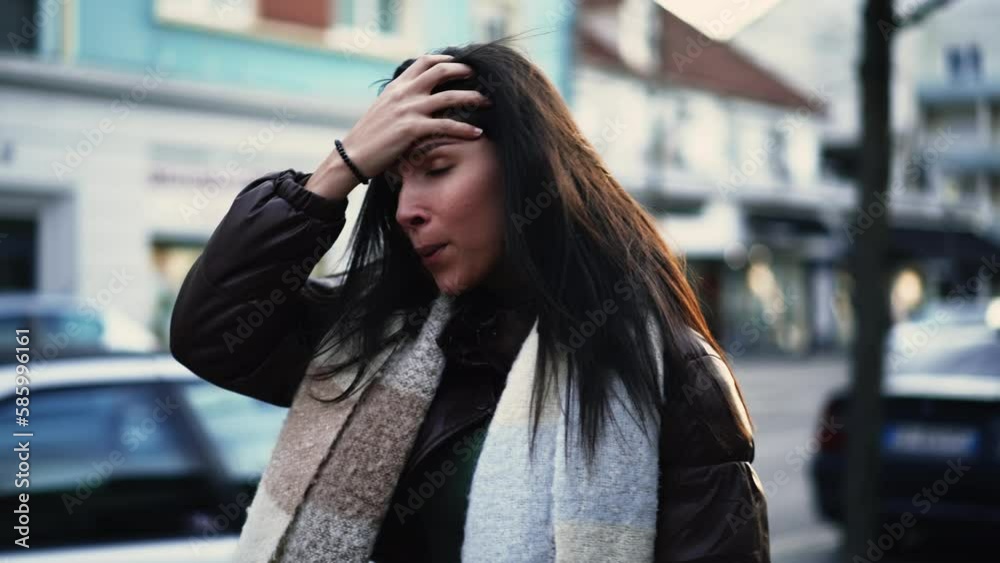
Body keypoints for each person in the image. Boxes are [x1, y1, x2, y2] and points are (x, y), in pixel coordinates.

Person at [170, 41, 769, 563]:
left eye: (436, 169)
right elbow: (214, 333)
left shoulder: (669, 372)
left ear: (527, 172)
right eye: (395, 184)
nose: (406, 211)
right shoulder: (375, 340)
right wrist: (341, 167)